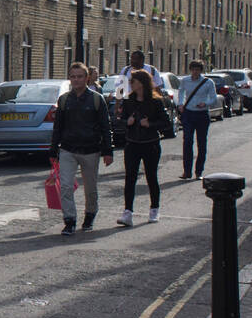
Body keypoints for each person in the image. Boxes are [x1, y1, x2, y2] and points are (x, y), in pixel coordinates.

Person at [51, 62, 114, 236]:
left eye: (80, 76)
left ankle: (90, 215)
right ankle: (69, 220)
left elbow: (105, 126)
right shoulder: (64, 100)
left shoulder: (96, 99)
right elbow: (58, 127)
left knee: (91, 188)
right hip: (68, 149)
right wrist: (53, 150)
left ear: (87, 78)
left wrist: (108, 150)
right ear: (69, 78)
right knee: (65, 186)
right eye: (73, 76)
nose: (76, 80)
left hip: (91, 150)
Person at [117, 69, 168, 227]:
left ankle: (154, 209)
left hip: (150, 143)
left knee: (151, 177)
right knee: (130, 178)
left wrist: (150, 124)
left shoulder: (156, 101)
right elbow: (120, 120)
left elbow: (165, 123)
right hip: (132, 143)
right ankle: (128, 212)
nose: (131, 84)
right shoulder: (128, 100)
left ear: (142, 83)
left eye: (133, 81)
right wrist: (127, 122)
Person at [175, 60, 216, 180]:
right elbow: (181, 92)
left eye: (197, 69)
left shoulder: (208, 82)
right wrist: (181, 104)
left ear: (201, 70)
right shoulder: (185, 80)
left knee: (201, 143)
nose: (195, 72)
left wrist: (205, 103)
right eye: (193, 69)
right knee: (187, 141)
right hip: (188, 113)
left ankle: (199, 172)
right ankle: (187, 172)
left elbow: (213, 98)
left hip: (202, 115)